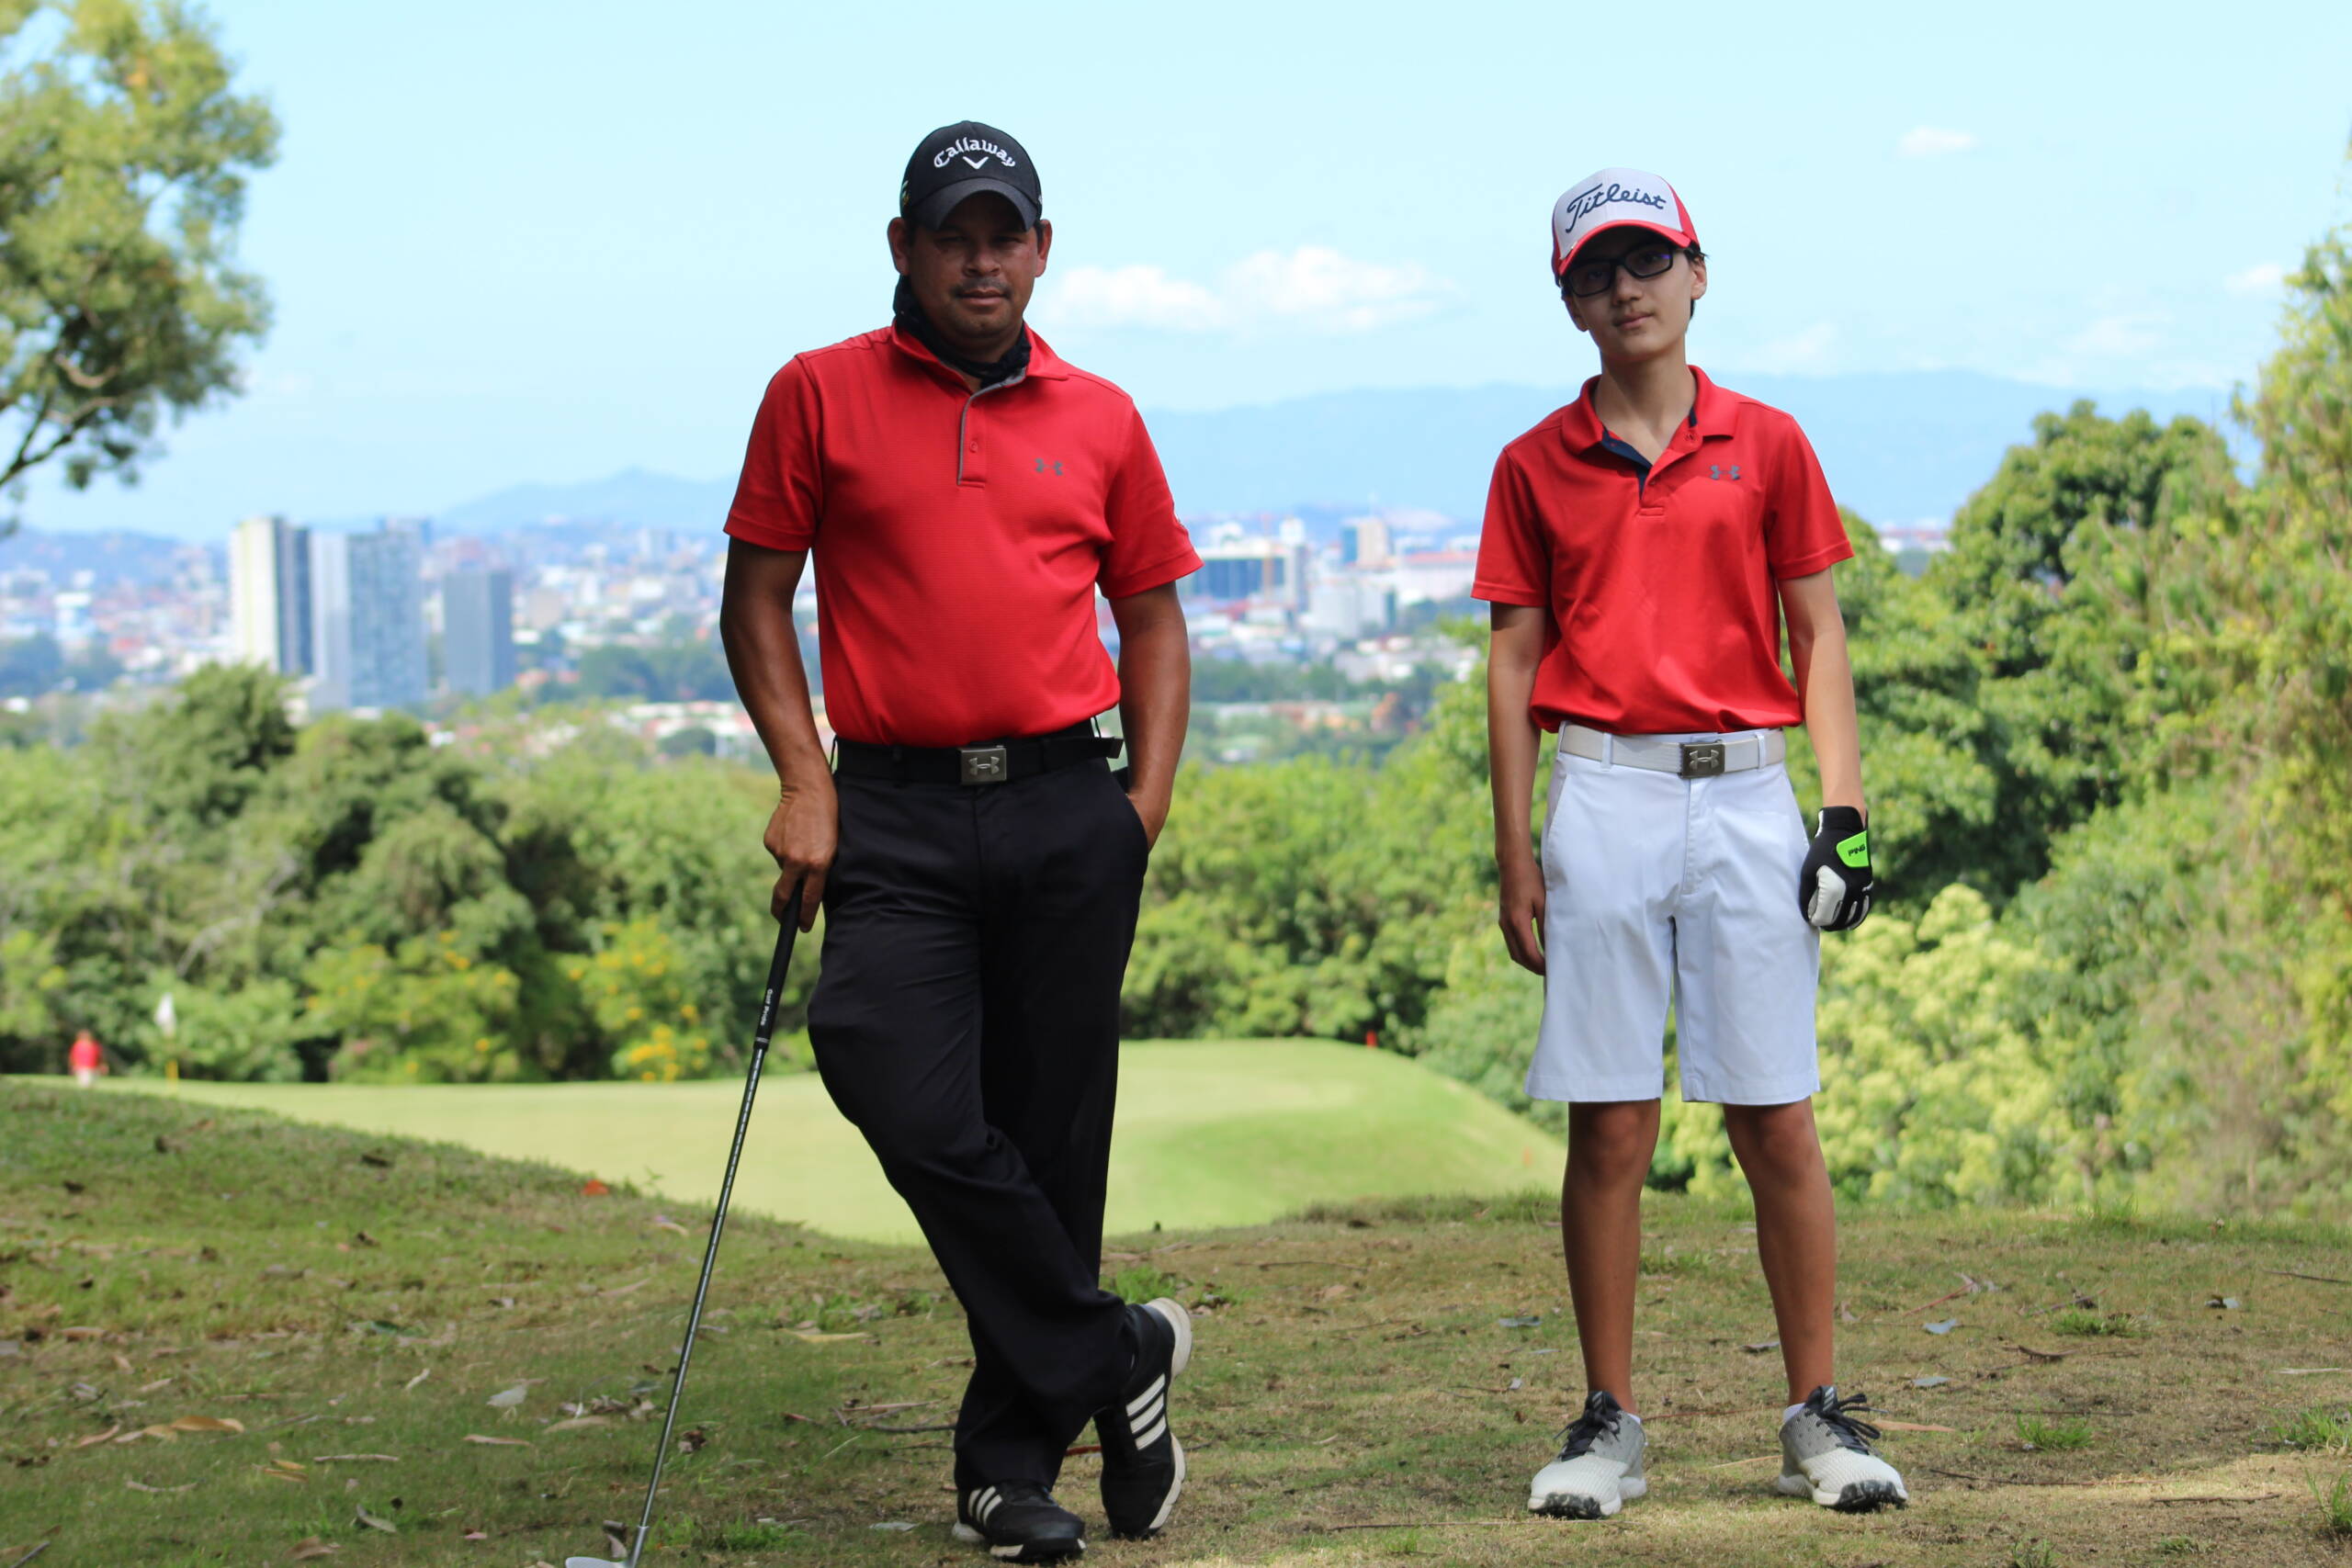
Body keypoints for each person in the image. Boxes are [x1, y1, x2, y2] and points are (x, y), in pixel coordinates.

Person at [718, 122, 1202, 1562]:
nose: (980, 259)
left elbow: (1157, 616)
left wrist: (1145, 807)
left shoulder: (1103, 414)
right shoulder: (815, 396)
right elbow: (756, 603)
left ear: (1041, 250)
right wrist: (806, 779)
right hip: (898, 808)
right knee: (879, 1057)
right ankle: (1118, 1355)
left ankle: (1004, 1472)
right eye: (952, 234)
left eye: (1005, 234)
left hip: (1070, 804)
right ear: (903, 250)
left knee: (1053, 1139)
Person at [1475, 167, 1904, 1521]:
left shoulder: (1769, 443)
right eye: (1599, 271)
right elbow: (1511, 664)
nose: (1628, 288)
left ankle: (1817, 1417)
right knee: (1610, 1121)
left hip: (1748, 791)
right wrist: (1514, 853)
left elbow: (1819, 633)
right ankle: (1608, 1424)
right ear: (1570, 302)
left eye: (1650, 260)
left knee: (1775, 1111)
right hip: (1600, 790)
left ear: (1699, 273)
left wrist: (1841, 810)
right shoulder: (1533, 463)